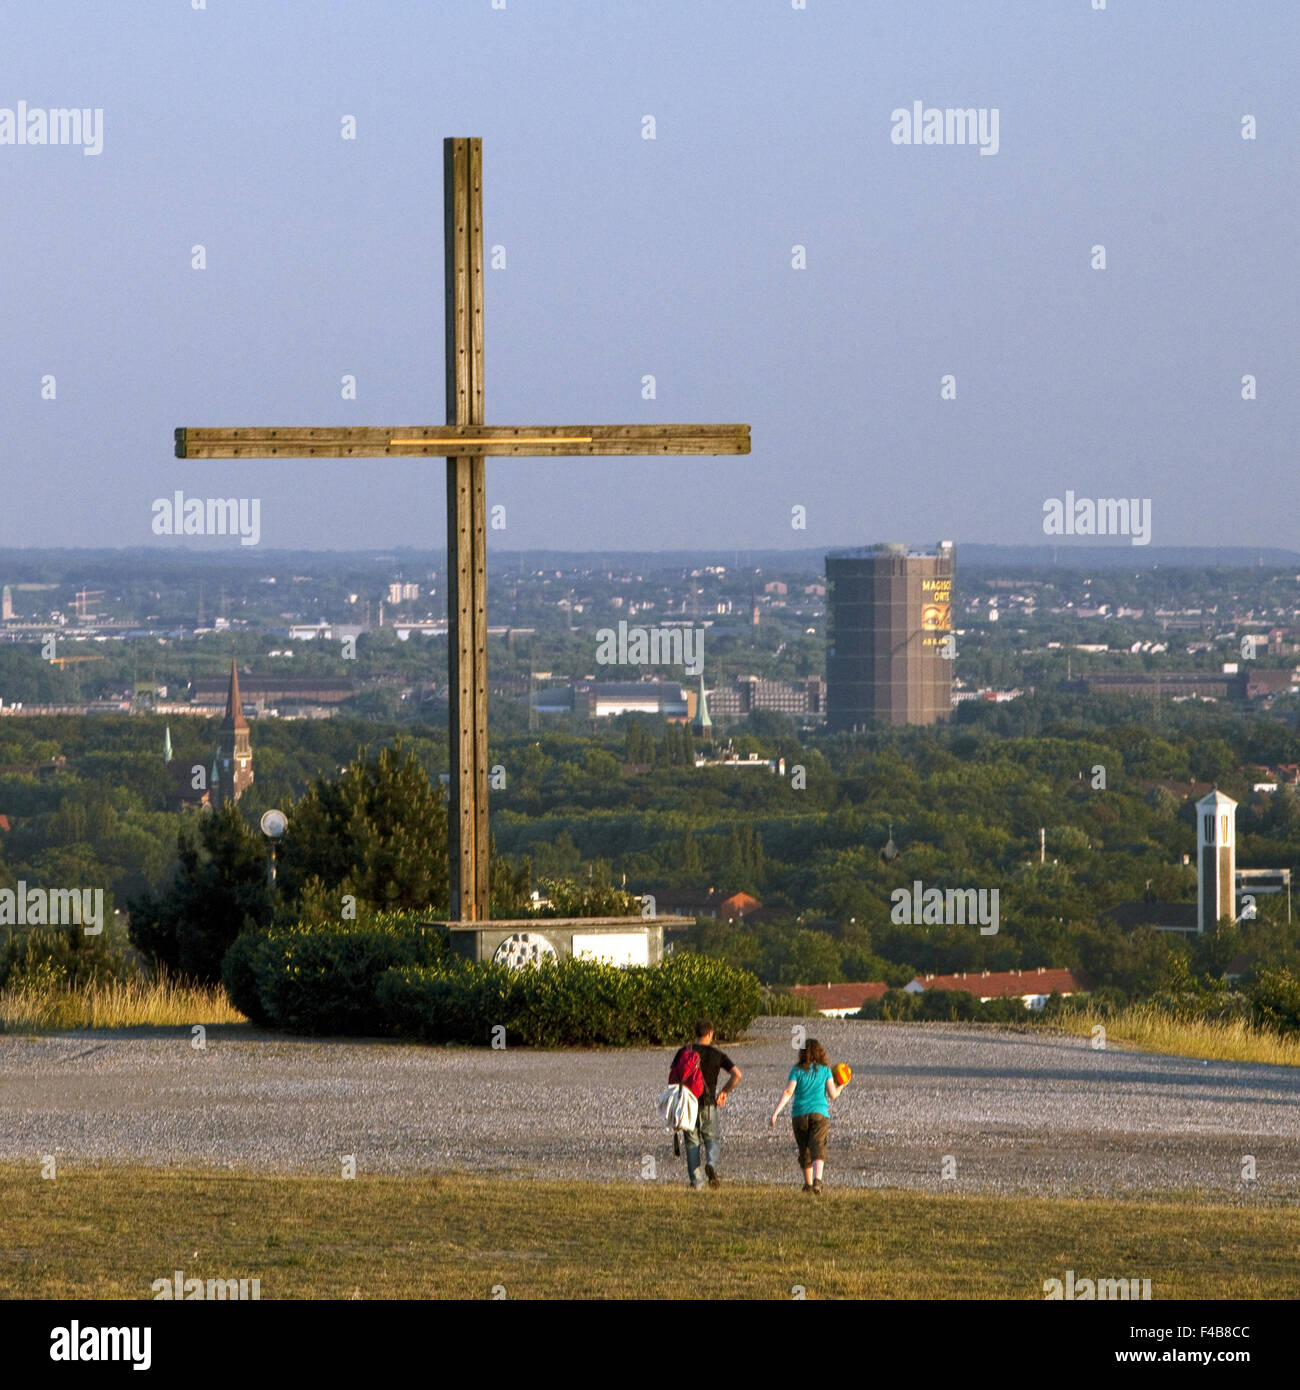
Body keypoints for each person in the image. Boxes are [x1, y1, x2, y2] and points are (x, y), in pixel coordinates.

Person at [670, 1018, 741, 1190]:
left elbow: (673, 1077)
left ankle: (697, 1183)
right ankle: (711, 1163)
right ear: (710, 1033)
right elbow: (737, 1075)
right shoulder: (717, 1054)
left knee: (692, 1143)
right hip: (709, 1103)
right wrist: (724, 1092)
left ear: (696, 1033)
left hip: (687, 1104)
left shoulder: (683, 1052)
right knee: (712, 1139)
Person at [769, 1038, 844, 1195]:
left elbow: (788, 1092)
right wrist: (842, 1084)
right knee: (818, 1146)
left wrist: (776, 1112)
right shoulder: (825, 1070)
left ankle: (808, 1185)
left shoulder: (796, 1070)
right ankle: (818, 1181)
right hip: (819, 1113)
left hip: (799, 1115)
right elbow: (833, 1094)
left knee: (804, 1149)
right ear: (820, 1052)